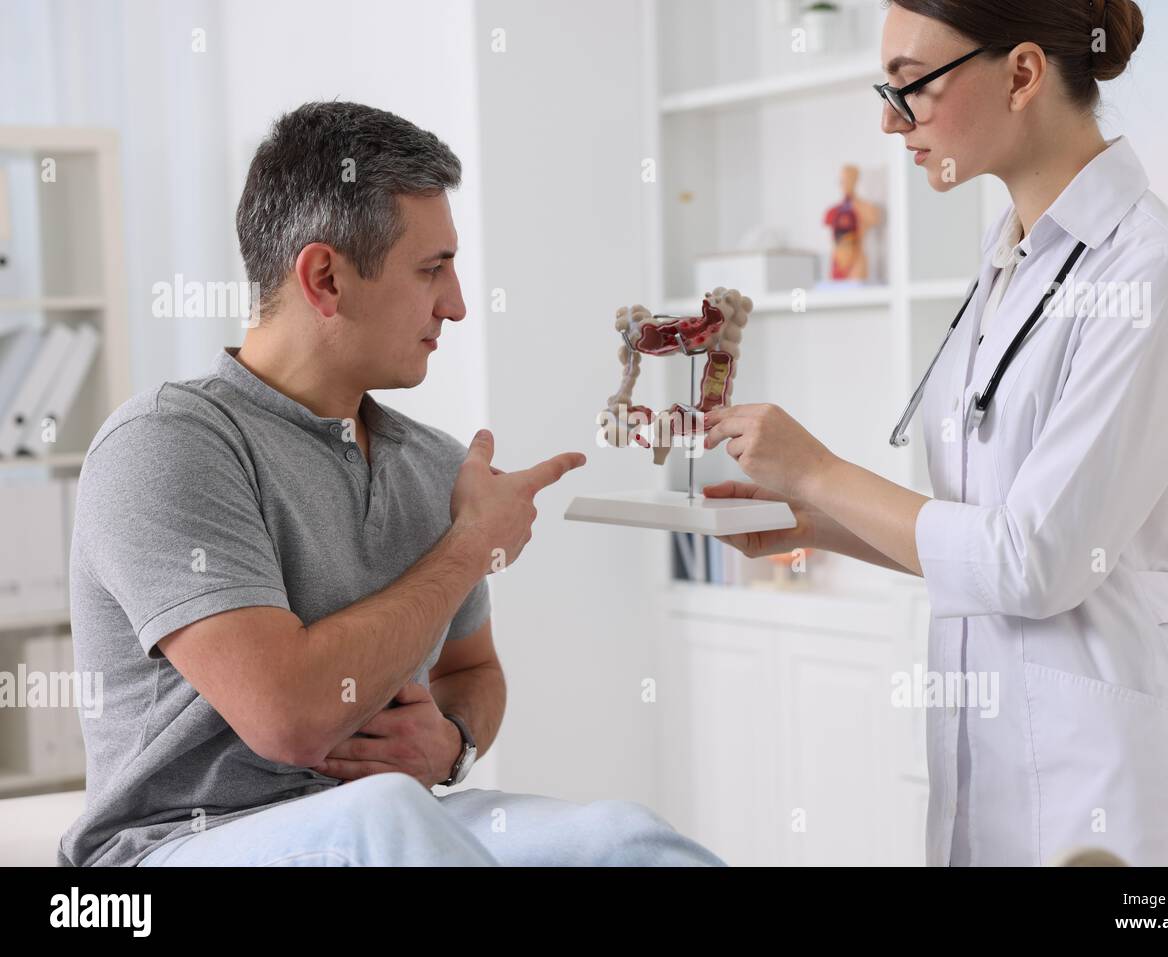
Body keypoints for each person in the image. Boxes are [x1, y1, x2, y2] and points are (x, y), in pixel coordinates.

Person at [59, 101, 723, 868]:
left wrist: (452, 741)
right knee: (384, 821)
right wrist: (471, 546)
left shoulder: (435, 464)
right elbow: (290, 717)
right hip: (173, 847)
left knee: (627, 840)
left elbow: (472, 671)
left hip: (390, 820)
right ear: (325, 278)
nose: (458, 304)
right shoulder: (167, 445)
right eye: (431, 268)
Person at [702, 0, 1168, 866]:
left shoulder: (1153, 272)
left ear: (1023, 74)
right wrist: (819, 525)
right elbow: (984, 536)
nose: (889, 121)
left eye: (912, 86)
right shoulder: (1009, 259)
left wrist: (817, 471)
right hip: (998, 771)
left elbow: (1035, 559)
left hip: (1123, 790)